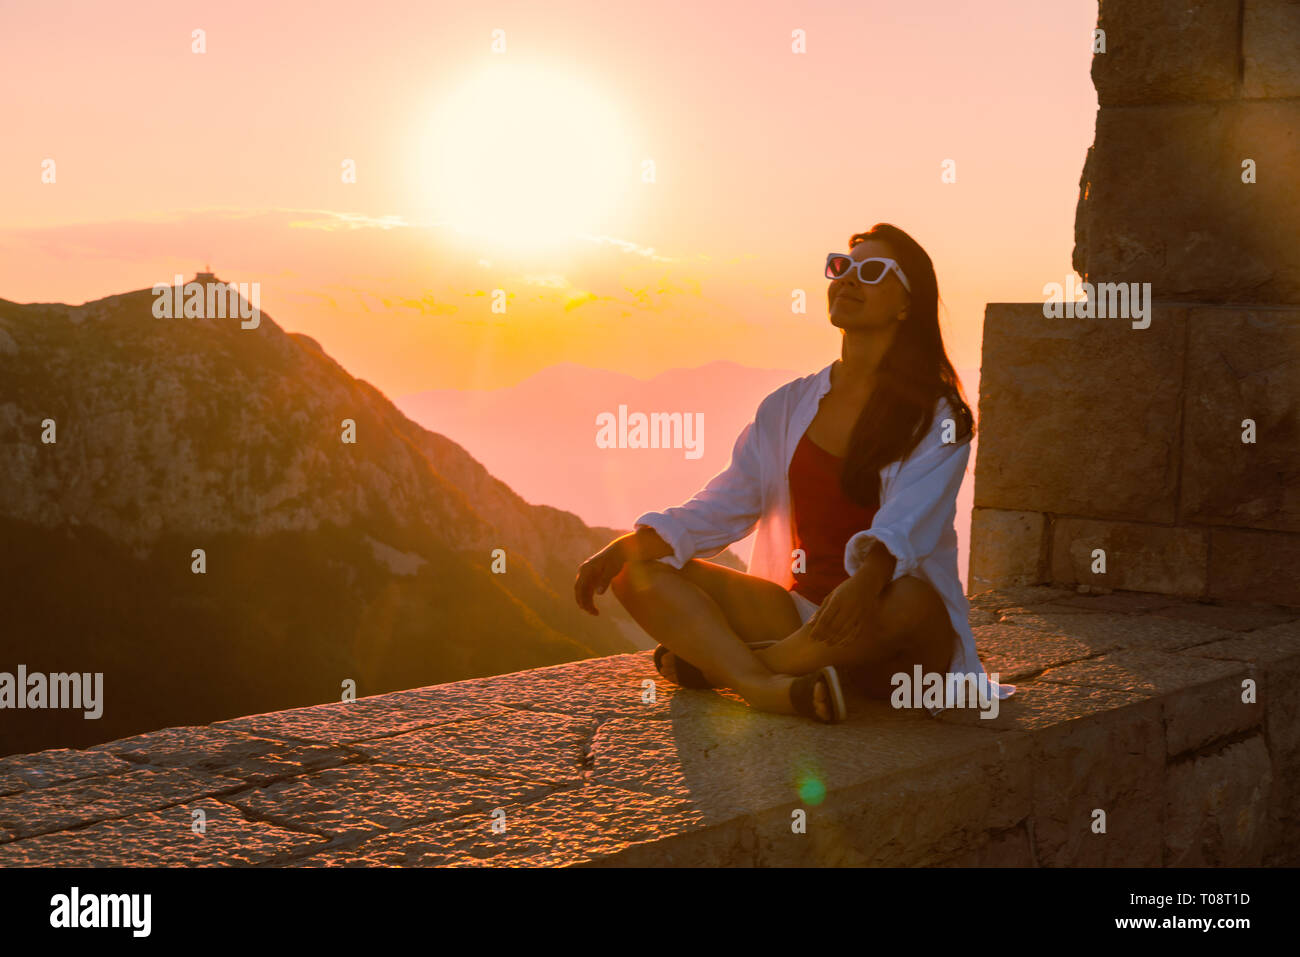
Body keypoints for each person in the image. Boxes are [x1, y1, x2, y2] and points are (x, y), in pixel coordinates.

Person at [573, 223, 1014, 723]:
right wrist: (627, 546)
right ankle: (765, 686)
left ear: (905, 305)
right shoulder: (787, 407)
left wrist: (865, 582)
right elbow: (725, 503)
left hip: (891, 634)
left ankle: (730, 671)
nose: (847, 280)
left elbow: (908, 525)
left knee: (912, 597)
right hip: (801, 618)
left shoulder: (940, 418)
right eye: (840, 267)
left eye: (871, 272)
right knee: (638, 570)